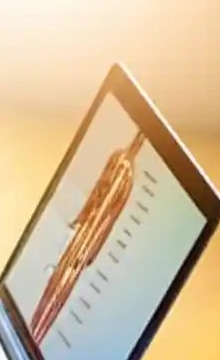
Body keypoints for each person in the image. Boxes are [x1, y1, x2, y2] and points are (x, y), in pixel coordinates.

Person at [28, 131, 144, 345]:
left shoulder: (125, 171)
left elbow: (106, 217)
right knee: (54, 288)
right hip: (82, 239)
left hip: (84, 243)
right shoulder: (120, 164)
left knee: (58, 291)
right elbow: (98, 201)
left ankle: (35, 337)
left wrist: (90, 247)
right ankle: (33, 335)